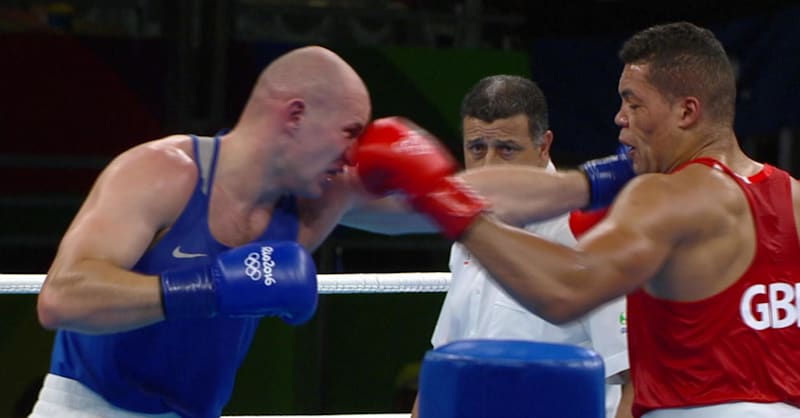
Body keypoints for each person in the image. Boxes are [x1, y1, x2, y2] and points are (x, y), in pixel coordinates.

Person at [354, 22, 800, 418]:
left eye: (634, 103)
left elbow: (567, 290)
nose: (619, 118)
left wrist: (446, 205)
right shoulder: (792, 195)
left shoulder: (668, 194)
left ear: (686, 111)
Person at [32, 45, 376, 418]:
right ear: (295, 115)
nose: (353, 154)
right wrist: (208, 288)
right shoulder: (163, 172)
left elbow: (436, 211)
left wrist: (432, 184)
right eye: (350, 132)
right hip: (89, 408)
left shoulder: (318, 201)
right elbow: (61, 298)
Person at [413, 75, 632, 418]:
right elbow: (444, 362)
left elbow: (631, 382)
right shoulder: (471, 231)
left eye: (506, 150)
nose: (489, 167)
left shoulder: (587, 231)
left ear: (544, 146)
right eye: (477, 149)